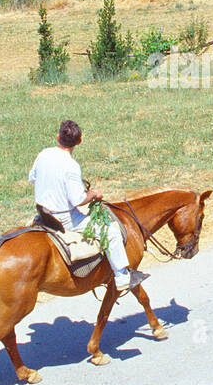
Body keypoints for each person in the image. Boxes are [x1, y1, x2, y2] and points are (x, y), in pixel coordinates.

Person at [28, 119, 148, 294]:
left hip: (42, 213)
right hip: (65, 219)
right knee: (112, 232)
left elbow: (32, 178)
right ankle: (122, 277)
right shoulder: (71, 166)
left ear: (58, 137)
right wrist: (94, 194)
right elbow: (78, 200)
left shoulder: (44, 154)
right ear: (79, 142)